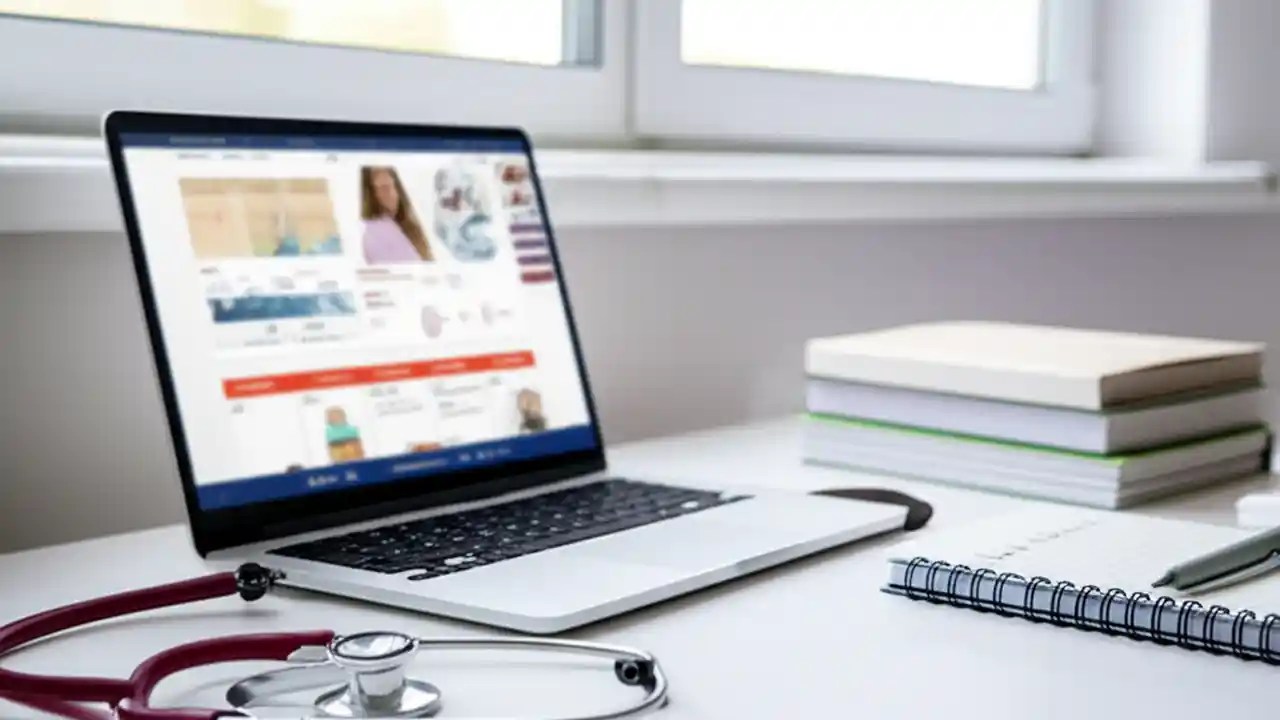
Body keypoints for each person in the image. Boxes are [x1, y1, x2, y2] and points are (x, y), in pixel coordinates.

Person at [360, 167, 433, 263]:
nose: (392, 194)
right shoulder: (373, 231)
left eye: (393, 186)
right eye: (384, 188)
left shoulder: (415, 228)